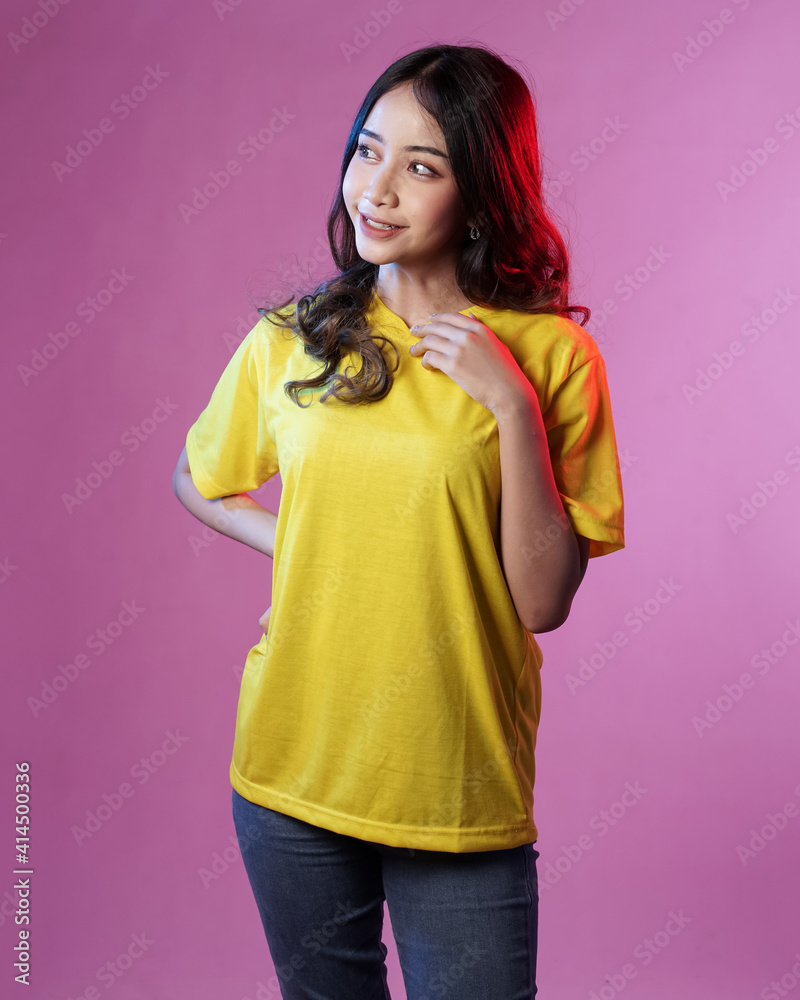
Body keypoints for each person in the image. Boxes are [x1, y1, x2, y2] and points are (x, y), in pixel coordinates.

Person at [172, 42, 625, 1000]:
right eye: (368, 151)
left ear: (482, 193)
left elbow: (543, 604)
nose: (376, 190)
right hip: (292, 768)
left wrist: (510, 407)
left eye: (422, 167)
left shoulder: (551, 357)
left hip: (457, 782)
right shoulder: (293, 338)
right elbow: (197, 478)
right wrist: (302, 547)